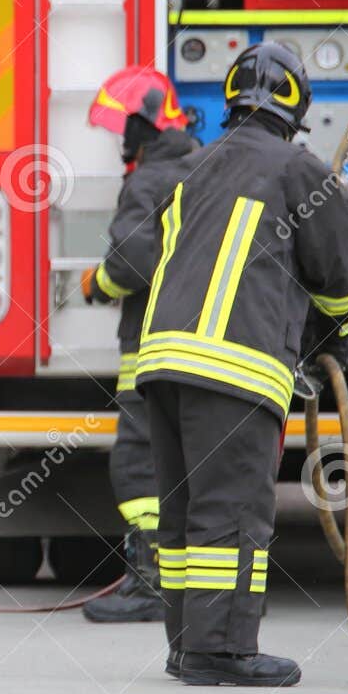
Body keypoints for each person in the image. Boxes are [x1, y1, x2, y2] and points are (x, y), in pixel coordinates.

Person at [135, 42, 348, 686]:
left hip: (162, 366)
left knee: (181, 511)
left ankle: (186, 646)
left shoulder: (190, 167)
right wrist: (335, 335)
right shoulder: (299, 169)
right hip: (234, 369)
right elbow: (336, 271)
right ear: (296, 106)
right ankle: (224, 651)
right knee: (233, 511)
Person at [79, 74, 200, 628]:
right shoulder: (206, 170)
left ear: (141, 127)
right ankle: (193, 587)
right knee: (191, 465)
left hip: (151, 347)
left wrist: (95, 286)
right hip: (208, 349)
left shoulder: (146, 182)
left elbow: (129, 265)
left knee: (136, 464)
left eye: (123, 127)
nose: (120, 139)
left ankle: (150, 579)